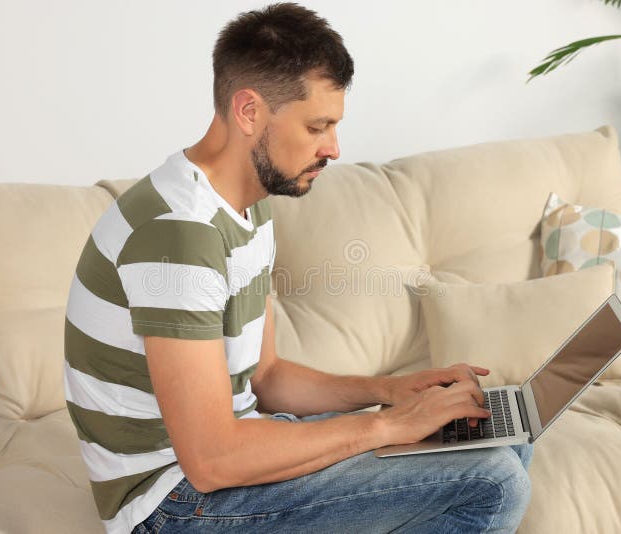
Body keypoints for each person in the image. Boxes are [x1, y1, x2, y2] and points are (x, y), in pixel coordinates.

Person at [63, 3, 533, 533]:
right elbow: (211, 459)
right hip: (171, 504)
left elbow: (266, 378)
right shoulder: (176, 234)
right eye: (317, 127)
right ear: (249, 112)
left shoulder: (248, 206)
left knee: (494, 435)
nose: (334, 148)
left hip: (231, 454)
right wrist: (386, 428)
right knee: (494, 480)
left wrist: (390, 392)